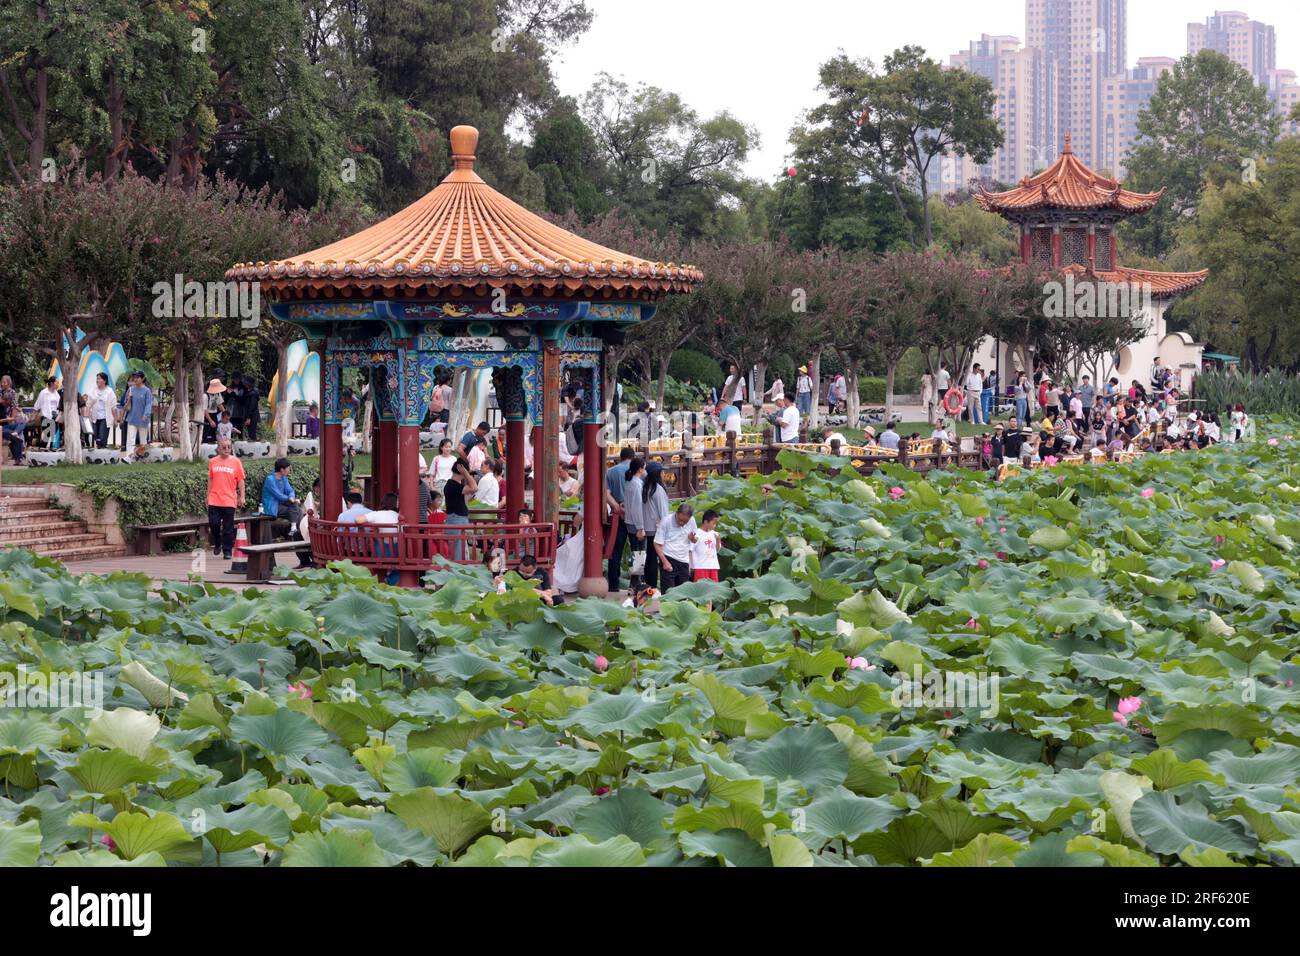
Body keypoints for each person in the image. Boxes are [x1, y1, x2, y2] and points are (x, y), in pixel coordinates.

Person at [206, 438, 246, 561]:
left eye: (229, 447)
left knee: (228, 527)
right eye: (223, 447)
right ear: (218, 449)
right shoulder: (213, 461)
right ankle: (217, 542)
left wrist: (242, 496)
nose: (226, 449)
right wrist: (207, 496)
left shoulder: (236, 462)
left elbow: (240, 480)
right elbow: (211, 479)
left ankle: (227, 550)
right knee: (214, 523)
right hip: (214, 498)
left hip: (229, 499)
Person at [604, 447, 634, 593]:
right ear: (632, 457)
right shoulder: (640, 470)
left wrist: (616, 506)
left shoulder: (611, 472)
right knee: (638, 550)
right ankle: (636, 584)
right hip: (636, 515)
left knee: (616, 550)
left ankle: (613, 585)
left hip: (618, 515)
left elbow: (606, 494)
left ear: (620, 458)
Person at [638, 462, 671, 591]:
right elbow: (664, 514)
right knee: (655, 557)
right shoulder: (658, 489)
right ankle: (653, 586)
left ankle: (647, 584)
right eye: (662, 472)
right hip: (658, 528)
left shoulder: (645, 487)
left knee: (649, 557)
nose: (664, 474)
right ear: (657, 474)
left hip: (647, 527)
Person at [654, 502, 697, 592]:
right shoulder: (666, 521)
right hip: (669, 558)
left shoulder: (692, 520)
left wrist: (693, 539)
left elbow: (695, 539)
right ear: (676, 513)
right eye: (680, 520)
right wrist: (665, 562)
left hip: (684, 560)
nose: (682, 523)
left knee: (682, 594)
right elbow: (657, 543)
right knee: (668, 593)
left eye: (685, 522)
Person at [443, 454, 477, 560]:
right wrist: (466, 473)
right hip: (456, 519)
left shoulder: (453, 485)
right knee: (457, 550)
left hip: (456, 519)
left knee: (460, 548)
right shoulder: (453, 485)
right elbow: (475, 487)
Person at [261, 457, 300, 538]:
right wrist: (290, 499)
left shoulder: (284, 478)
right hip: (272, 507)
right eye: (288, 468)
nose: (289, 470)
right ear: (282, 469)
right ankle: (295, 534)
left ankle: (294, 531)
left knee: (297, 510)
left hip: (282, 505)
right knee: (297, 511)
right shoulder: (270, 479)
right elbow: (277, 495)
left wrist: (292, 497)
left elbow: (290, 490)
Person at [623, 457, 647, 589]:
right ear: (640, 469)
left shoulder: (629, 482)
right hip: (636, 523)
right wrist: (641, 527)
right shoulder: (637, 485)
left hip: (629, 521)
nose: (645, 469)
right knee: (639, 552)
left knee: (635, 551)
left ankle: (635, 580)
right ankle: (636, 580)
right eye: (644, 467)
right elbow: (637, 507)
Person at [120, 371, 154, 458]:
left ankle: (142, 456)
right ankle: (129, 457)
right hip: (132, 418)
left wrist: (146, 415)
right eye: (134, 377)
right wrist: (129, 398)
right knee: (131, 439)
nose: (135, 379)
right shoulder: (131, 389)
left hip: (143, 419)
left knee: (143, 440)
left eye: (137, 377)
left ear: (142, 379)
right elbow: (125, 405)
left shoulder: (147, 391)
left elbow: (148, 404)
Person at [689, 509, 722, 582]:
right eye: (713, 523)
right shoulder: (697, 533)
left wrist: (718, 540)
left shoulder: (715, 534)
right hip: (700, 567)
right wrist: (690, 566)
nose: (714, 526)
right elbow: (690, 550)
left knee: (714, 590)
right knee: (701, 589)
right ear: (706, 522)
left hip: (714, 566)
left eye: (715, 523)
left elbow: (717, 550)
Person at [0, 376, 27, 464]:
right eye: (8, 402)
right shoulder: (2, 406)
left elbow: (15, 407)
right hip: (1, 428)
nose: (9, 404)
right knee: (17, 439)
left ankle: (15, 432)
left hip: (6, 426)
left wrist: (21, 414)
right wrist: (9, 418)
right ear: (3, 399)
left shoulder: (6, 405)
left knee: (22, 422)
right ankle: (18, 459)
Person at [87, 372, 116, 449]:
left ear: (105, 380)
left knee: (102, 438)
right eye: (97, 379)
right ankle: (99, 454)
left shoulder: (109, 391)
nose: (97, 380)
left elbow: (113, 407)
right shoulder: (93, 390)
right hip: (95, 418)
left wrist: (115, 419)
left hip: (105, 418)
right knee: (96, 437)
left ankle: (103, 453)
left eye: (99, 379)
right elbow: (88, 404)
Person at [33, 376, 60, 448]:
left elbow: (58, 406)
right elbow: (37, 405)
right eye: (57, 382)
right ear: (51, 383)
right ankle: (43, 449)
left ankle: (47, 450)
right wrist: (33, 416)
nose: (58, 384)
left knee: (52, 436)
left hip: (55, 416)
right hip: (46, 416)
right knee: (48, 436)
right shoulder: (43, 393)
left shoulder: (56, 394)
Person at [203, 378, 226, 444]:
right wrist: (210, 421)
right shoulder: (205, 396)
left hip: (214, 415)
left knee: (214, 435)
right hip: (207, 416)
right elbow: (205, 410)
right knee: (207, 434)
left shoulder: (217, 394)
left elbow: (220, 405)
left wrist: (226, 415)